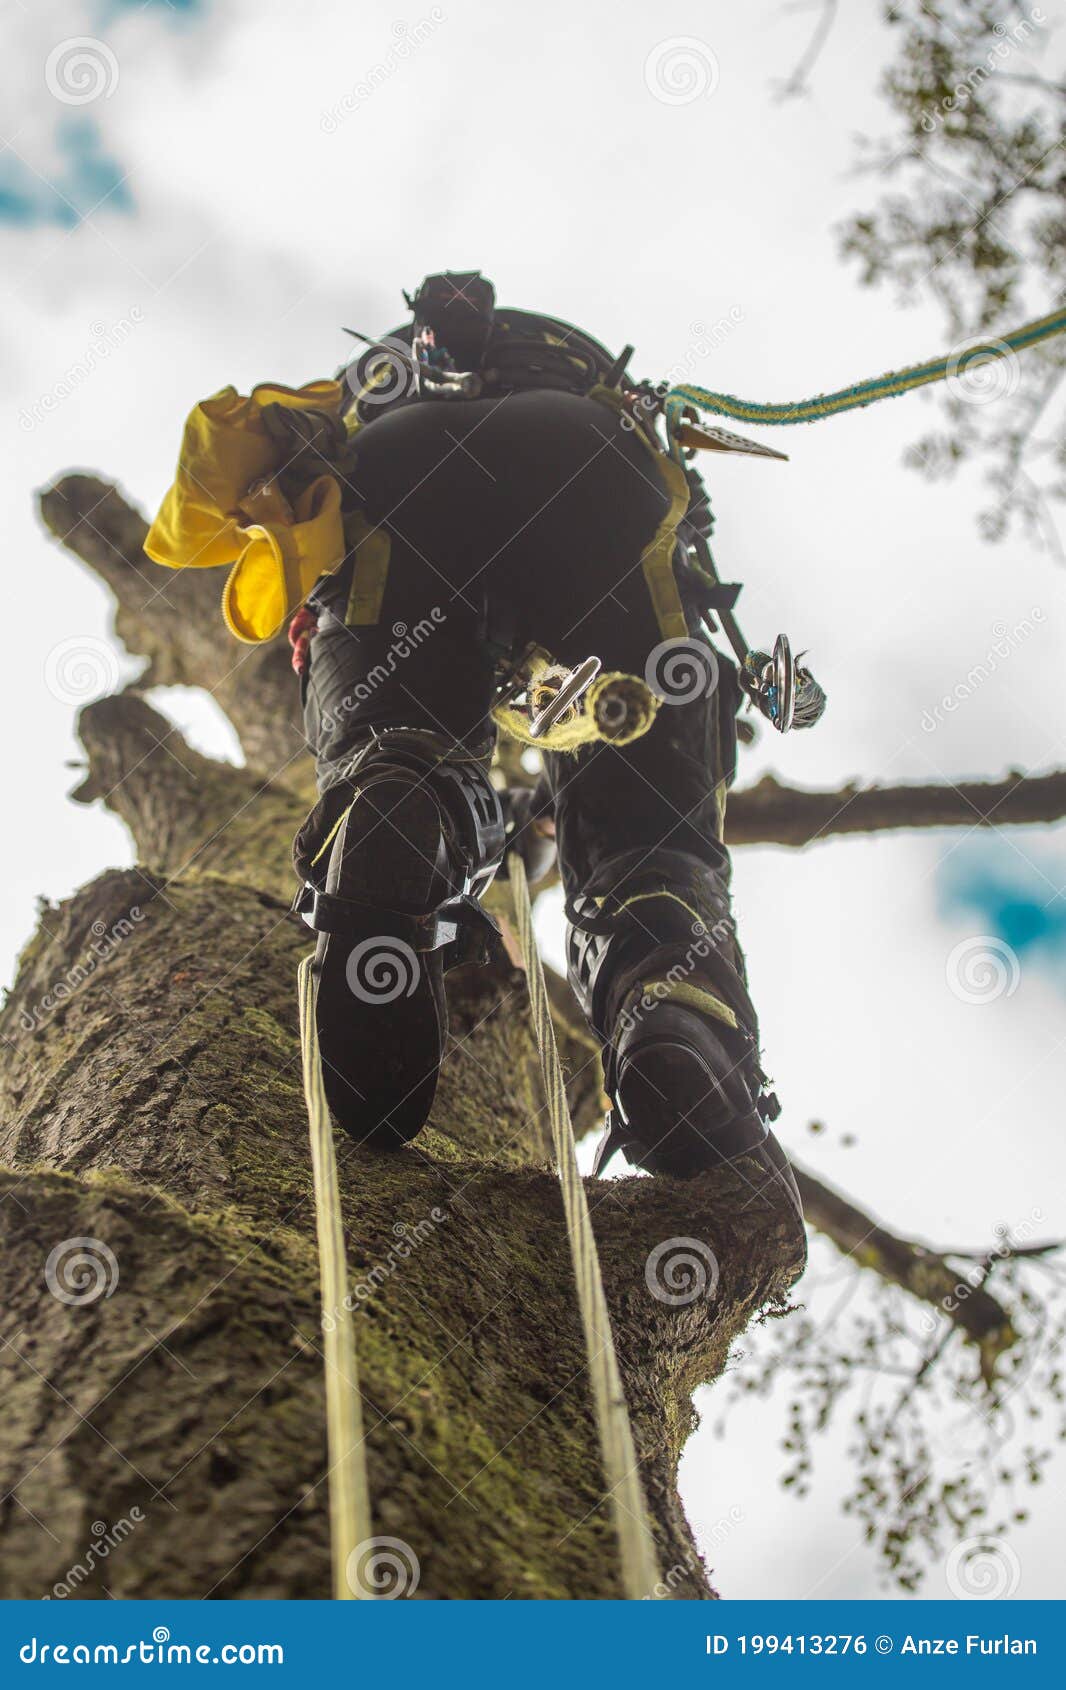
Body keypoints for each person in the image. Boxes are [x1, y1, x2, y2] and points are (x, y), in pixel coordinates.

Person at [147, 271, 821, 1204]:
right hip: (587, 458)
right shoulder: (571, 383)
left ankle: (400, 808)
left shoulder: (365, 403)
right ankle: (672, 1009)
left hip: (397, 466)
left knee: (398, 740)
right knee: (647, 835)